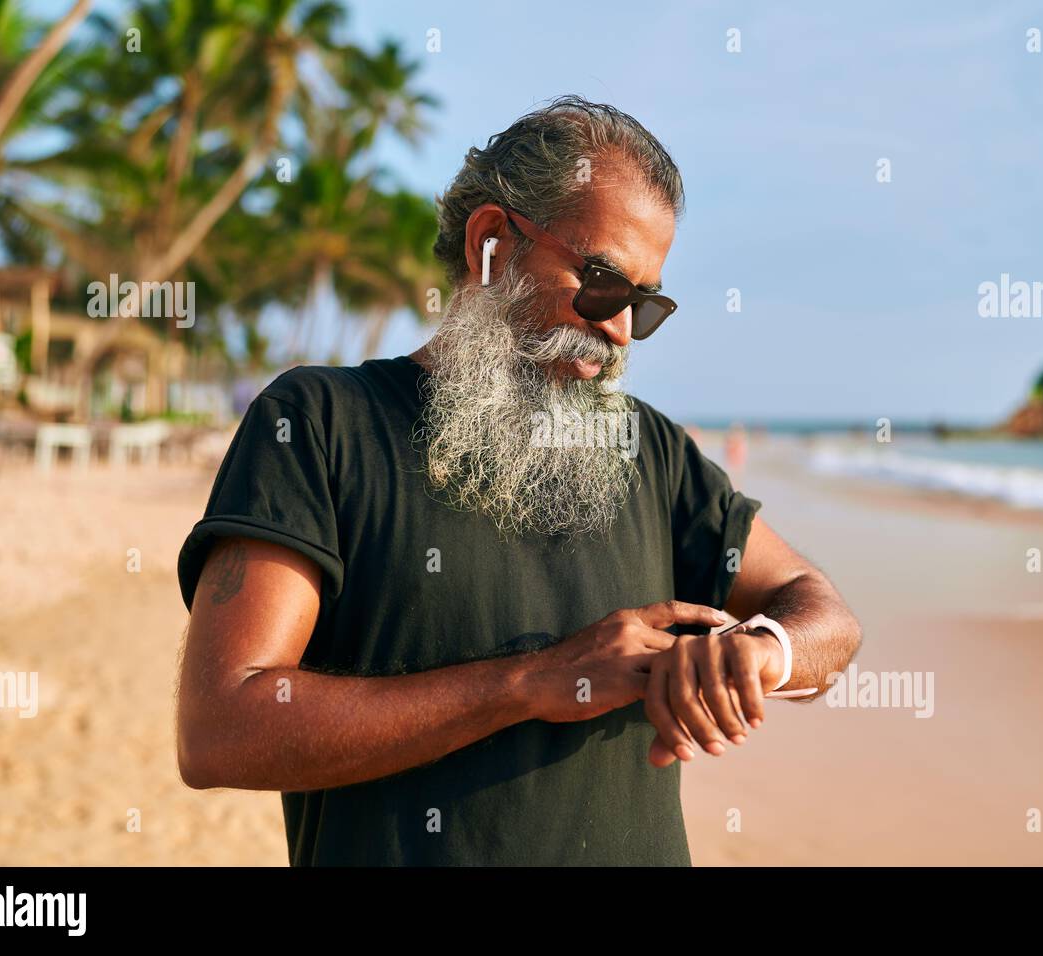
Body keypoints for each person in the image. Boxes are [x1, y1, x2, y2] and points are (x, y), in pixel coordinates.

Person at [174, 95, 861, 865]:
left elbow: (827, 618)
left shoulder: (651, 452)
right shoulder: (319, 423)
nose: (620, 330)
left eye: (645, 305)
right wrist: (534, 681)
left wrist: (757, 652)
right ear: (492, 242)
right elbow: (220, 730)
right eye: (601, 283)